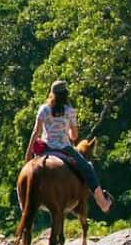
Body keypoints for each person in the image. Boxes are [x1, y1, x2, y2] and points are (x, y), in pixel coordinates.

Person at [24, 80, 112, 212]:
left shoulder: (44, 109)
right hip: (64, 148)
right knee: (88, 168)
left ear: (52, 93)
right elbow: (74, 136)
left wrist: (29, 152)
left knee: (27, 171)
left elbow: (36, 132)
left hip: (45, 147)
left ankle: (23, 205)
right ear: (66, 94)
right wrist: (69, 132)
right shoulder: (69, 111)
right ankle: (103, 203)